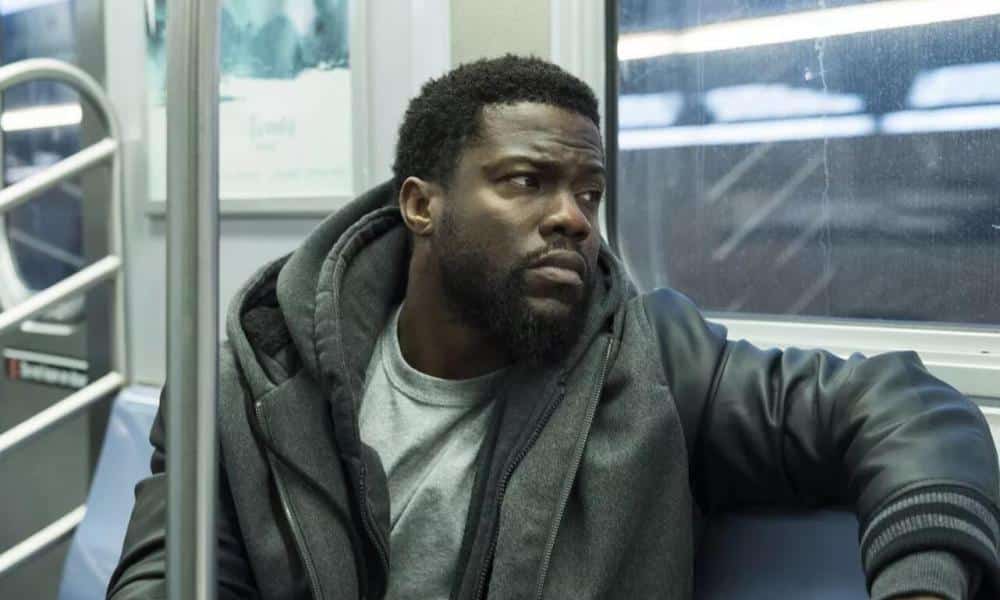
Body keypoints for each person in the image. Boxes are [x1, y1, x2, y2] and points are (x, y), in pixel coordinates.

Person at [107, 55, 1000, 600]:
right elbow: (166, 574)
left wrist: (923, 586)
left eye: (589, 193)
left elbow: (909, 408)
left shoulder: (654, 363)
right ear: (421, 205)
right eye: (527, 182)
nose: (573, 218)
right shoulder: (250, 386)